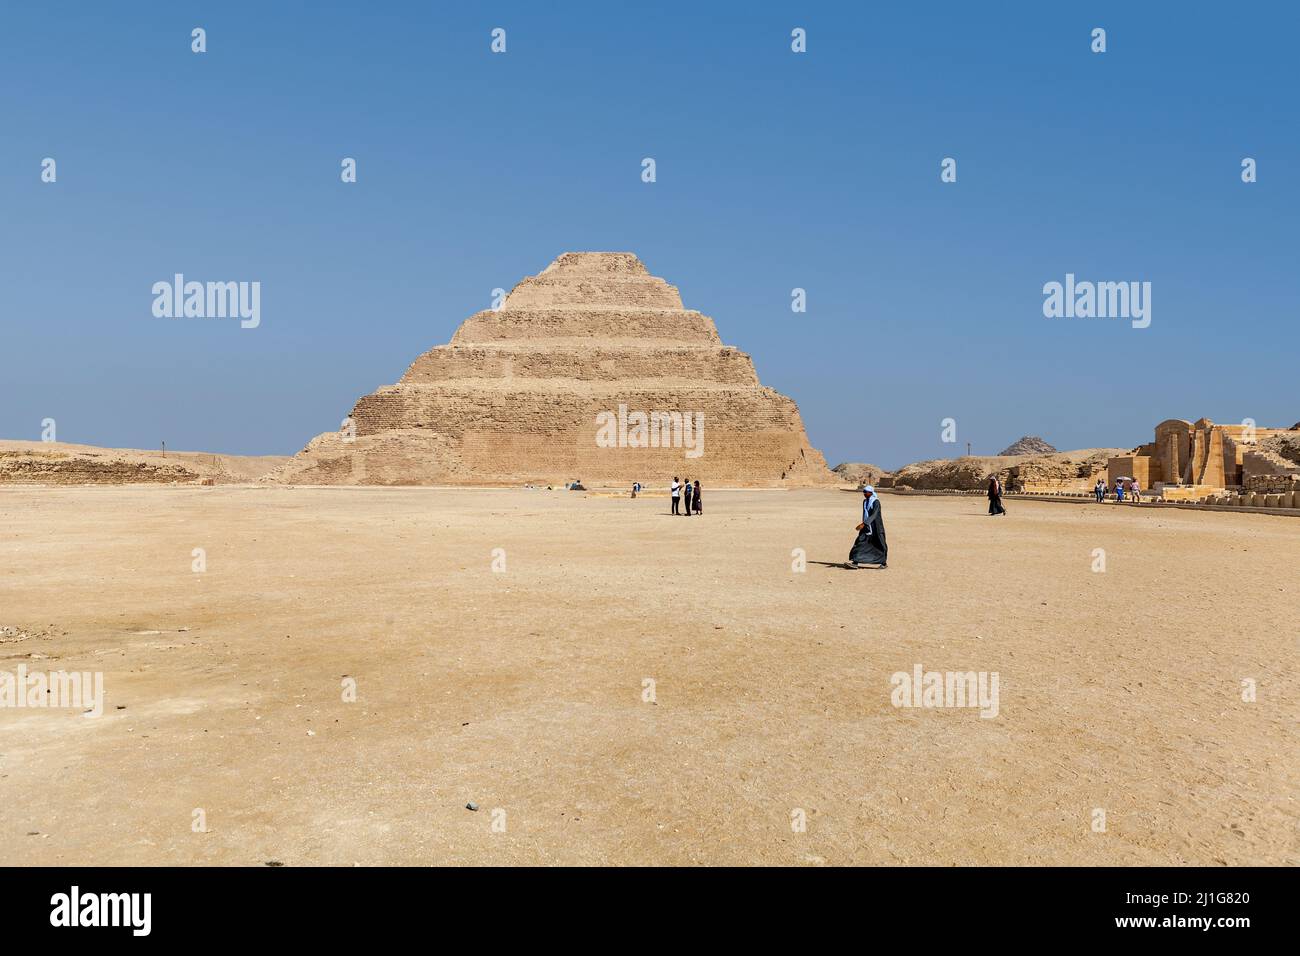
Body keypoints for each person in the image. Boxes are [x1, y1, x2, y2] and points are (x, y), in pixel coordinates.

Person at [848, 485, 888, 569]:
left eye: (866, 492)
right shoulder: (865, 501)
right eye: (864, 492)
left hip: (876, 527)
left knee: (880, 544)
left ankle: (883, 563)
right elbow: (865, 514)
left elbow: (874, 514)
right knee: (860, 542)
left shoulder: (876, 502)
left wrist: (864, 523)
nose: (864, 494)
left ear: (871, 492)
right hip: (866, 526)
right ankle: (855, 562)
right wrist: (864, 524)